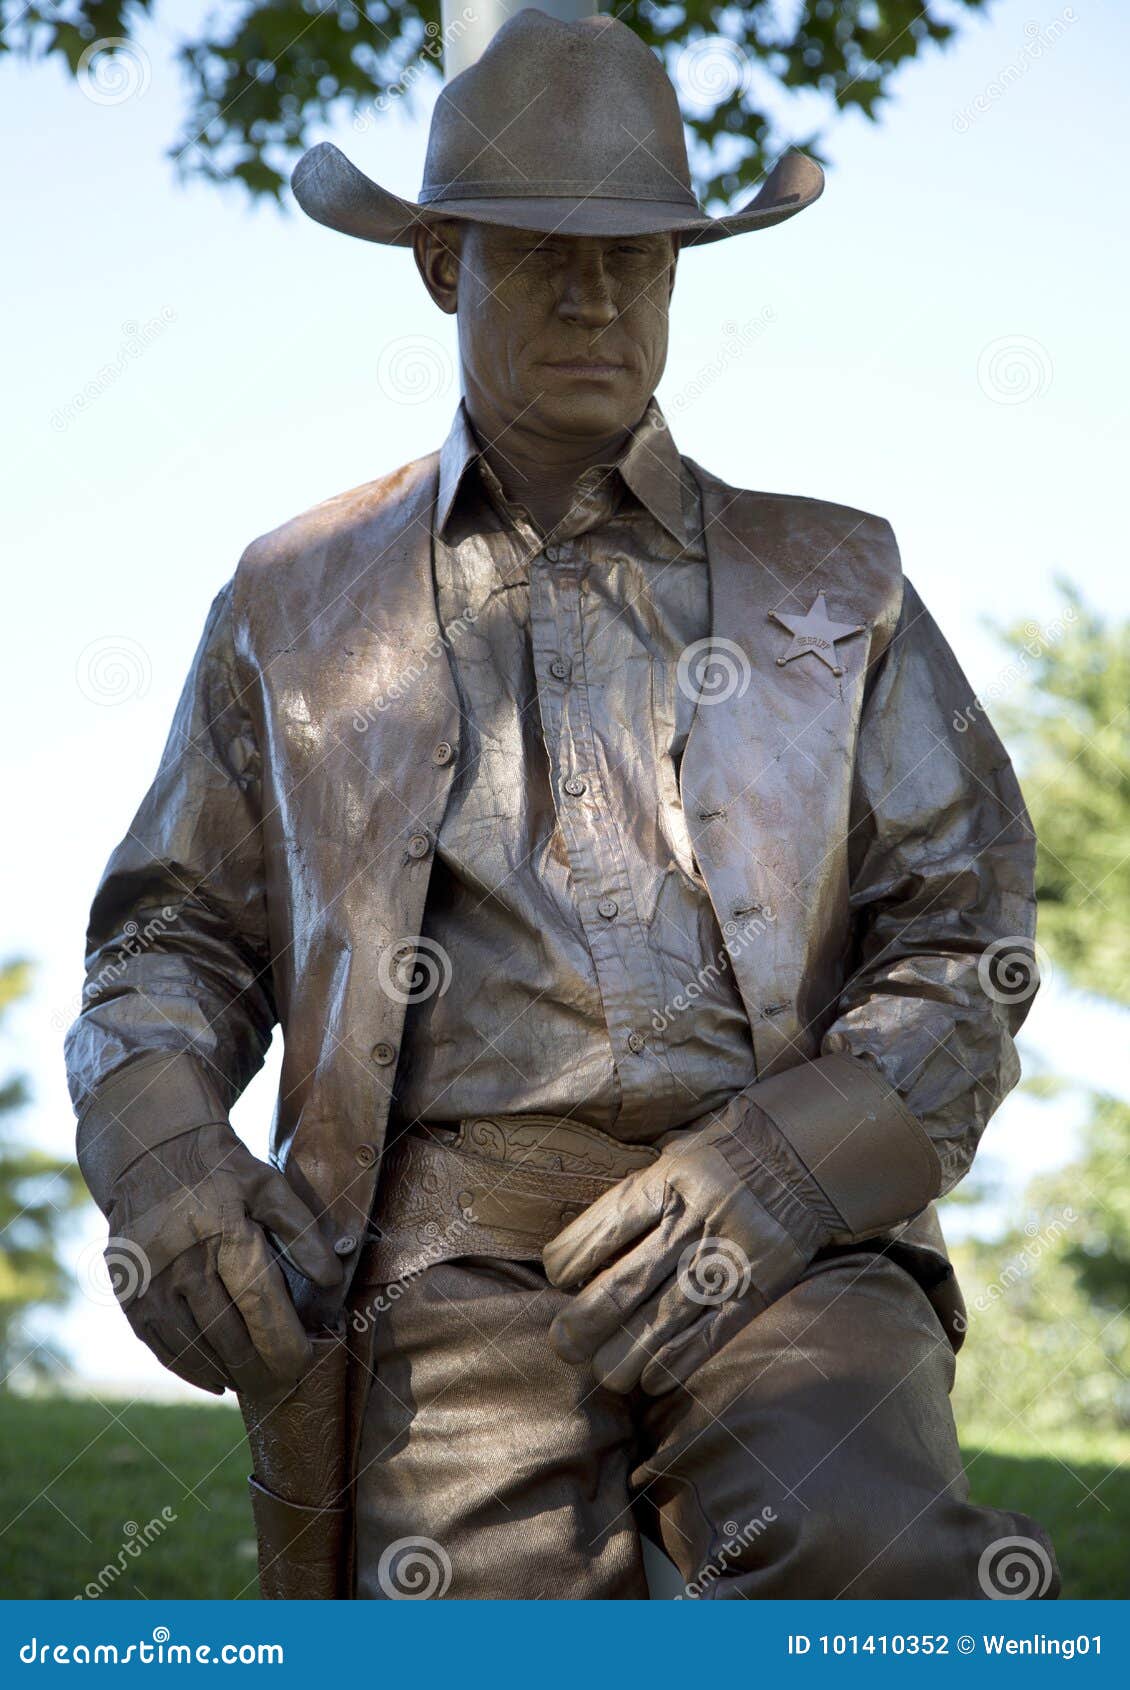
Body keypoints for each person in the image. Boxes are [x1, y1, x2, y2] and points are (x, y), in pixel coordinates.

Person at [66, 10, 1058, 1600]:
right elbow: (169, 938)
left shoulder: (836, 579)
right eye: (541, 253)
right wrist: (161, 1141)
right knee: (466, 1615)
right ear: (440, 265)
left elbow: (965, 936)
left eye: (642, 256)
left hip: (791, 1245)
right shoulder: (296, 598)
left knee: (879, 1559)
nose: (599, 294)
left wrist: (787, 1170)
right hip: (436, 1274)